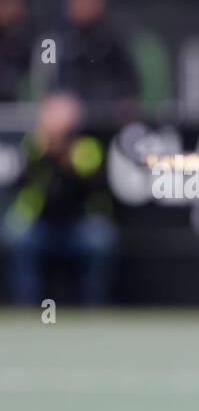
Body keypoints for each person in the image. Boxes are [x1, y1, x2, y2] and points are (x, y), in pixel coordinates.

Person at [2, 91, 115, 304]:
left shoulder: (86, 148)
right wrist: (43, 156)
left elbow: (90, 188)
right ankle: (25, 304)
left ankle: (94, 305)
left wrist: (66, 160)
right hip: (40, 225)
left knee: (100, 239)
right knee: (17, 237)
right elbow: (20, 183)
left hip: (77, 225)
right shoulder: (33, 146)